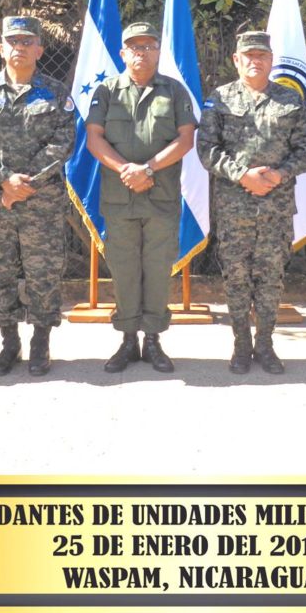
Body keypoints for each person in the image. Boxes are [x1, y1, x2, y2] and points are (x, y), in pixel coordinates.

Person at [0, 16, 74, 376]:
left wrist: (25, 184)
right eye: (13, 41)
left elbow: (63, 142)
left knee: (44, 271)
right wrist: (4, 181)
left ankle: (41, 341)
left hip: (42, 202)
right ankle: (9, 343)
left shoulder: (55, 93)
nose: (19, 48)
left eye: (27, 42)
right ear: (1, 48)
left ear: (39, 48)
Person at [198, 31, 306, 374]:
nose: (255, 61)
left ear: (271, 59)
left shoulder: (290, 100)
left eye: (261, 55)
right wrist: (242, 175)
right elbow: (207, 149)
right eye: (247, 55)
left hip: (276, 206)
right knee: (236, 277)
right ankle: (240, 345)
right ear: (236, 60)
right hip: (234, 205)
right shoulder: (219, 99)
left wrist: (279, 175)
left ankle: (265, 344)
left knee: (270, 277)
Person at [85, 22, 197, 373]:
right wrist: (125, 170)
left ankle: (153, 340)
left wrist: (147, 169)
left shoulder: (174, 91)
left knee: (158, 269)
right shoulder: (106, 91)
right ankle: (128, 340)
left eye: (148, 46)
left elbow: (185, 139)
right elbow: (94, 138)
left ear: (158, 51)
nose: (141, 52)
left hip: (160, 196)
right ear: (122, 53)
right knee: (124, 269)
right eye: (134, 47)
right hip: (120, 198)